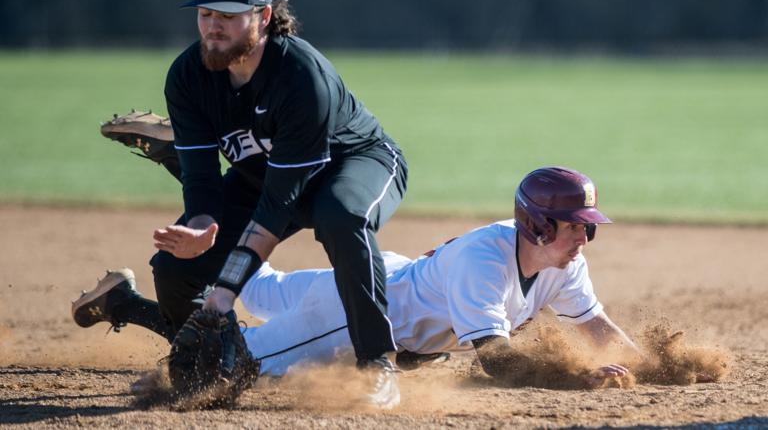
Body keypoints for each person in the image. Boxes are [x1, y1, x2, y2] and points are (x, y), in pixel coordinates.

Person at [72, 0, 407, 408]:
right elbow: (204, 182)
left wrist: (225, 293)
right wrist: (202, 227)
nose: (213, 26)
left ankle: (378, 364)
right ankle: (214, 366)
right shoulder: (188, 76)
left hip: (351, 162)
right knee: (174, 268)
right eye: (206, 14)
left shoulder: (302, 78)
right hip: (263, 173)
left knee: (341, 217)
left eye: (229, 16)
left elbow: (275, 209)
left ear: (264, 16)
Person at [164, 166, 641, 407]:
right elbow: (497, 360)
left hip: (385, 276)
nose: (584, 236)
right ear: (538, 225)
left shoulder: (564, 261)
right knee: (228, 360)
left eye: (588, 226)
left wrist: (656, 365)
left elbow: (597, 327)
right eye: (574, 225)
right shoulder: (484, 260)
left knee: (261, 286)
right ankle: (190, 176)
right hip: (347, 319)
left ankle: (183, 186)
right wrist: (577, 378)